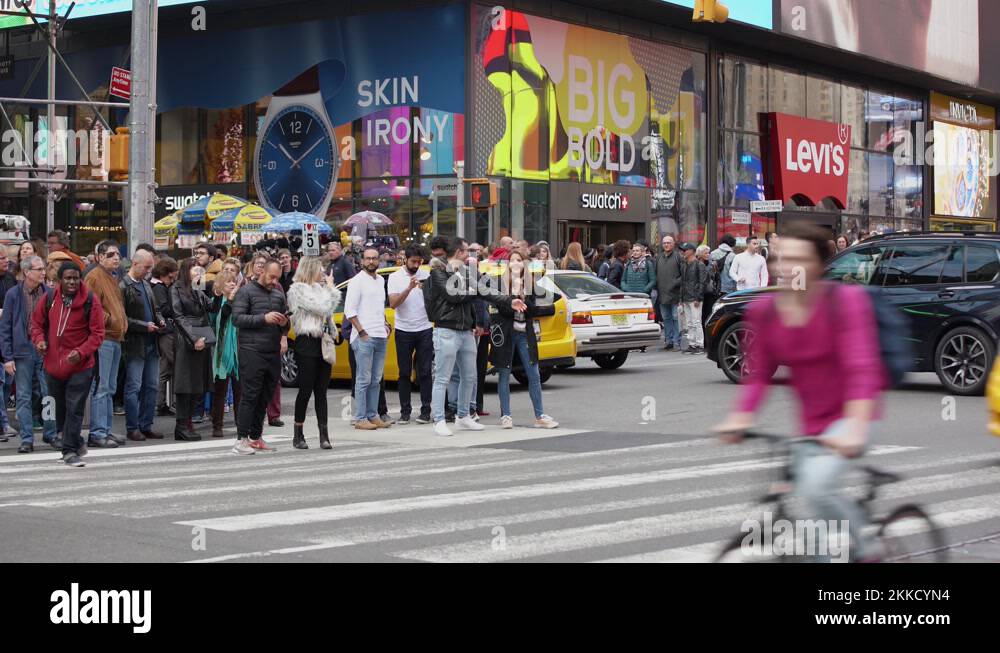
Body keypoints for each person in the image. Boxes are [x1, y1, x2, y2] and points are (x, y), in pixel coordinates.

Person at [714, 222, 886, 562]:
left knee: (817, 487)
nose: (786, 267)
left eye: (799, 259)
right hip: (810, 424)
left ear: (819, 267)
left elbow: (862, 368)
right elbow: (759, 373)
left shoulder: (845, 302)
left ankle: (867, 546)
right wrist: (740, 416)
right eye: (781, 258)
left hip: (854, 414)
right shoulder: (766, 311)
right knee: (813, 513)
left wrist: (854, 426)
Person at [424, 237, 524, 437]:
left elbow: (485, 291)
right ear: (459, 253)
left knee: (470, 376)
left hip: (466, 330)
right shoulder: (438, 273)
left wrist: (509, 300)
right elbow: (455, 296)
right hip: (446, 330)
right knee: (442, 377)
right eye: (467, 251)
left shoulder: (467, 273)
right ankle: (439, 420)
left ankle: (463, 416)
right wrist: (475, 290)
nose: (471, 255)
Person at [31, 263, 105, 468]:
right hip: (53, 366)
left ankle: (69, 451)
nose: (72, 282)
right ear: (59, 280)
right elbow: (36, 324)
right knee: (59, 409)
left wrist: (81, 352)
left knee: (74, 408)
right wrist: (38, 340)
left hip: (81, 366)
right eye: (68, 278)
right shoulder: (49, 299)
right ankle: (76, 441)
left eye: (76, 278)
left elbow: (98, 334)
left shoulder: (91, 300)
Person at [490, 250, 558, 429]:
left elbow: (541, 307)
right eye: (512, 260)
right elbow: (501, 309)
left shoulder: (531, 285)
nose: (515, 263)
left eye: (519, 260)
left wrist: (525, 303)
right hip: (506, 334)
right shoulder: (500, 284)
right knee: (504, 373)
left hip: (524, 334)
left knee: (533, 374)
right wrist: (514, 301)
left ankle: (540, 415)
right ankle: (506, 415)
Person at [231, 259, 289, 454]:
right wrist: (263, 318)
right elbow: (237, 319)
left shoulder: (278, 294)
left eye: (277, 278)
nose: (274, 281)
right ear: (261, 271)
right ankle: (241, 439)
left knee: (265, 395)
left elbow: (286, 325)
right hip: (251, 350)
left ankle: (256, 437)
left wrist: (283, 325)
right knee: (250, 395)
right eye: (272, 276)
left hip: (272, 351)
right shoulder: (246, 291)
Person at [0, 255, 58, 452]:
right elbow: (5, 327)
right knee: (24, 396)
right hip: (22, 351)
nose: (43, 272)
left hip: (45, 351)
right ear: (26, 272)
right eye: (38, 269)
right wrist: (7, 357)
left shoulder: (49, 293)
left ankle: (51, 434)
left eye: (43, 268)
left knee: (49, 394)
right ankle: (27, 438)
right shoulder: (13, 294)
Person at [287, 256, 341, 448]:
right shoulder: (297, 290)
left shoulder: (320, 289)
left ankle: (323, 435)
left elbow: (328, 314)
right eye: (320, 270)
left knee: (322, 391)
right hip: (306, 341)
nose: (323, 273)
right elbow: (321, 308)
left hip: (323, 341)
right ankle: (298, 433)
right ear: (310, 270)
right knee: (306, 389)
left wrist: (333, 330)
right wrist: (331, 289)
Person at [84, 240, 127, 448]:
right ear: (99, 257)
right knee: (101, 387)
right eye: (110, 255)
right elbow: (90, 306)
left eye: (117, 254)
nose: (116, 258)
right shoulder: (94, 276)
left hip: (114, 337)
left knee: (109, 387)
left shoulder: (111, 277)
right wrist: (110, 319)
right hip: (103, 338)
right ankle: (98, 432)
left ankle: (106, 430)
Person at [120, 249, 166, 442]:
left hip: (150, 341)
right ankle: (133, 426)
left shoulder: (145, 285)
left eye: (150, 267)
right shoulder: (124, 285)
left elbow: (154, 309)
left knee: (151, 386)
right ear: (135, 264)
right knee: (134, 387)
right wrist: (143, 325)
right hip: (135, 343)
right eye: (146, 267)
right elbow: (122, 318)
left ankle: (145, 424)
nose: (148, 271)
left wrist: (160, 320)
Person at [345, 247, 392, 431]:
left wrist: (385, 325)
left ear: (379, 260)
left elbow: (378, 307)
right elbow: (350, 311)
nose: (371, 261)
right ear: (362, 261)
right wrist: (362, 331)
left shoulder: (380, 280)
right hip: (364, 336)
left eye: (374, 258)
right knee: (363, 379)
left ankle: (373, 415)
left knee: (376, 380)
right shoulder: (356, 281)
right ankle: (360, 417)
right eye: (367, 259)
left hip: (380, 335)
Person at [388, 245, 433, 425]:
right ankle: (405, 412)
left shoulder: (426, 275)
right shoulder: (394, 277)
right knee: (404, 372)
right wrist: (408, 288)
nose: (416, 265)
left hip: (424, 328)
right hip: (404, 329)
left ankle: (425, 411)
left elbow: (434, 301)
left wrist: (426, 290)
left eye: (419, 262)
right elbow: (393, 304)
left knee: (425, 372)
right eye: (413, 261)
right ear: (405, 259)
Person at [170, 259, 213, 442]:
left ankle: (188, 423)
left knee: (196, 384)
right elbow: (178, 316)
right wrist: (194, 338)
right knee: (185, 384)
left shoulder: (197, 288)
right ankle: (182, 425)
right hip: (186, 339)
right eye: (195, 270)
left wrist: (217, 293)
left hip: (200, 335)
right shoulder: (176, 288)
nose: (198, 273)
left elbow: (210, 307)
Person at [209, 268, 242, 439]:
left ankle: (241, 425)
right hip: (221, 352)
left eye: (234, 281)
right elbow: (221, 320)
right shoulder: (216, 302)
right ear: (221, 285)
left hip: (237, 350)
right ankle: (217, 426)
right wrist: (229, 300)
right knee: (220, 391)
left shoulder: (240, 301)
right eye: (228, 281)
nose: (232, 284)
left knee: (239, 390)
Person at [151, 257, 179, 416]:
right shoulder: (159, 287)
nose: (172, 280)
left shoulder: (159, 285)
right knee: (175, 365)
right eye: (170, 277)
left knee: (165, 367)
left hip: (165, 330)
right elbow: (164, 308)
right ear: (163, 274)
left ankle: (160, 403)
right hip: (166, 330)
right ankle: (172, 402)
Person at [655, 235, 683, 351]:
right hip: (662, 294)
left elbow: (683, 275)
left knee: (676, 318)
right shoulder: (659, 257)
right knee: (666, 318)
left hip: (675, 294)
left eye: (668, 242)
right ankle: (669, 340)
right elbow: (656, 274)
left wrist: (674, 283)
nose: (666, 245)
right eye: (664, 243)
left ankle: (677, 341)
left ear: (673, 244)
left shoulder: (678, 257)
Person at [679, 243, 707, 354]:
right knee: (689, 322)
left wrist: (698, 297)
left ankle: (699, 345)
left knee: (696, 322)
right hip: (686, 297)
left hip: (694, 298)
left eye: (685, 250)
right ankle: (692, 344)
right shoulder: (684, 264)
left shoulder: (699, 264)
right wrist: (681, 299)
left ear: (691, 251)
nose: (683, 252)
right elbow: (682, 282)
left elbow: (702, 282)